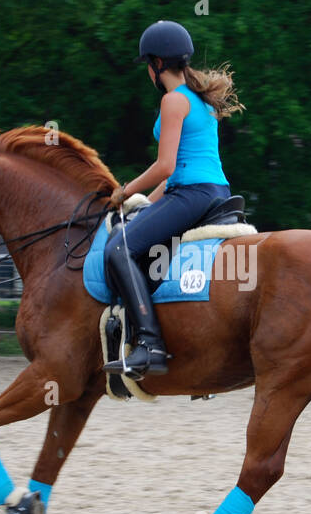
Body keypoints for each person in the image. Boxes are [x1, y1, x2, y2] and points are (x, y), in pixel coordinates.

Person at [104, 20, 245, 377]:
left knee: (118, 248)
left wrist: (124, 192)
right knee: (140, 239)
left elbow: (165, 167)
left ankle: (150, 344)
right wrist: (144, 205)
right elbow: (176, 173)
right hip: (213, 192)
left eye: (147, 65)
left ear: (156, 64)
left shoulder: (173, 101)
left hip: (193, 194)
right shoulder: (201, 102)